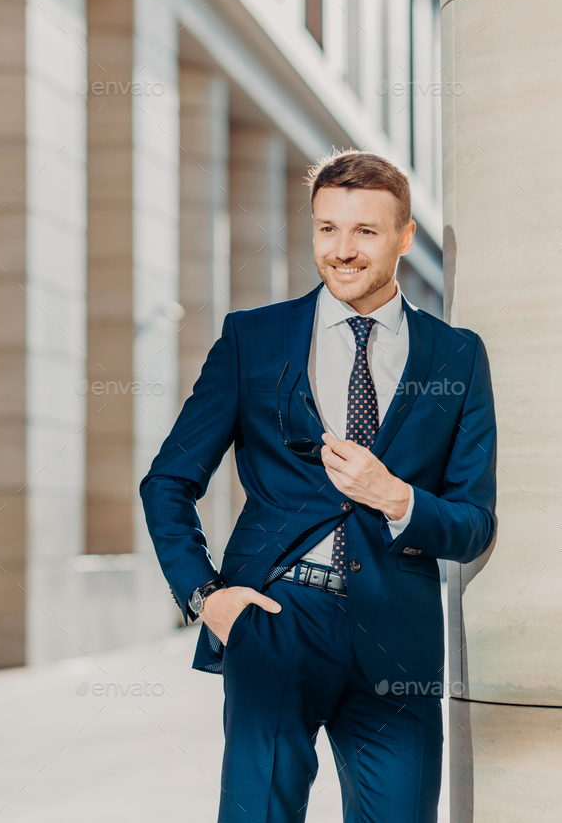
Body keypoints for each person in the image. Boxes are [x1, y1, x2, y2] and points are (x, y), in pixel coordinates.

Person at [140, 149, 497, 823]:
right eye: (327, 228)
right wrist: (207, 596)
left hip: (398, 634)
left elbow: (474, 522)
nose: (342, 250)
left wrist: (396, 497)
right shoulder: (253, 337)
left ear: (405, 237)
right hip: (276, 615)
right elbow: (168, 481)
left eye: (365, 230)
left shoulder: (456, 354)